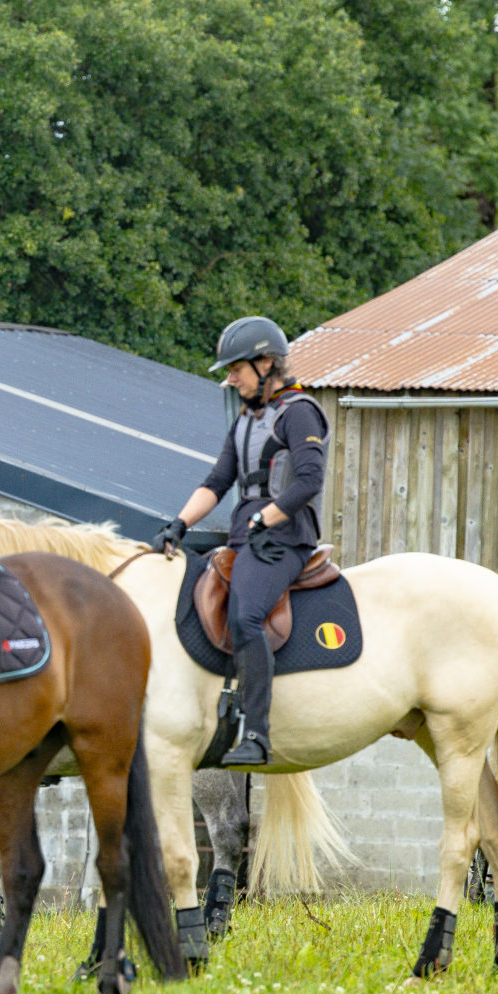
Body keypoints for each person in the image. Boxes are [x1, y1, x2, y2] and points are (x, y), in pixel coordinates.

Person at [150, 316, 328, 767]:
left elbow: (308, 480)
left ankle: (256, 733)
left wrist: (266, 520)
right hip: (248, 536)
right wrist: (179, 524)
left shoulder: (299, 412)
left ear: (266, 363)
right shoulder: (246, 422)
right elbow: (217, 481)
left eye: (236, 370)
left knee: (246, 617)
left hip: (283, 539)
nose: (230, 379)